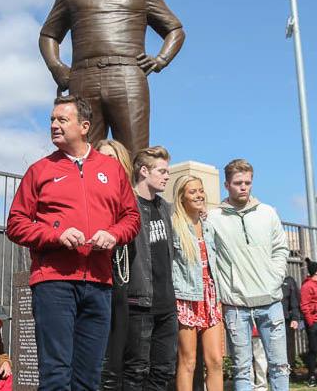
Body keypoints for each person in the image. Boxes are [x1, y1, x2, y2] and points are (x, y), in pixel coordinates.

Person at [6, 96, 141, 391]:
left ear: (84, 126)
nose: (54, 125)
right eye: (52, 120)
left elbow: (131, 218)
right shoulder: (38, 171)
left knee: (89, 377)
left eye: (61, 120)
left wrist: (114, 235)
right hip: (54, 283)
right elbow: (16, 224)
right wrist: (56, 235)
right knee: (55, 374)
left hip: (100, 284)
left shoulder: (113, 170)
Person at [38, 0, 185, 155]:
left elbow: (175, 29)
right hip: (84, 77)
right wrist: (56, 66)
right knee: (82, 152)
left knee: (136, 155)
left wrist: (161, 60)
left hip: (128, 76)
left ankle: (132, 193)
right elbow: (48, 34)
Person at [207, 159, 290, 391]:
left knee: (279, 365)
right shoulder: (214, 218)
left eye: (247, 182)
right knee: (241, 368)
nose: (243, 187)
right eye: (237, 183)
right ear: (227, 185)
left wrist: (275, 276)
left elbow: (281, 248)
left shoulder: (268, 212)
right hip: (235, 304)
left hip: (270, 300)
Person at [123, 146, 177, 391]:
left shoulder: (165, 207)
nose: (167, 176)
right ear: (143, 171)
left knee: (164, 370)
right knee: (135, 370)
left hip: (167, 304)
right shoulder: (127, 205)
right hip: (139, 302)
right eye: (162, 171)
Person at [170, 175, 224, 391]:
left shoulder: (209, 226)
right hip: (185, 297)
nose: (199, 195)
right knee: (188, 361)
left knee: (216, 361)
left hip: (210, 296)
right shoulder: (174, 225)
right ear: (182, 197)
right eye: (193, 192)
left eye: (200, 190)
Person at [94, 139, 135, 391]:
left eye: (113, 157)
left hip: (123, 288)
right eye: (103, 157)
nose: (108, 162)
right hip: (95, 283)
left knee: (118, 362)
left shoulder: (131, 201)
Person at [280, 274, 302, 375]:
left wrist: (295, 318)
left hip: (286, 319)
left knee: (288, 346)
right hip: (269, 319)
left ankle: (289, 370)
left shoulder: (289, 281)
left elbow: (295, 301)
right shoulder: (267, 277)